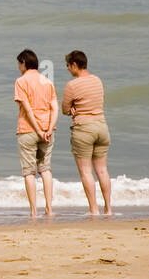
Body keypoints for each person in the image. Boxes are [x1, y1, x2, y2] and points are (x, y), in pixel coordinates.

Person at [62, 50, 112, 216]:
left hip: (83, 129)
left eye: (68, 66)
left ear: (75, 65)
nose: (68, 69)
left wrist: (74, 110)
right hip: (102, 127)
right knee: (102, 170)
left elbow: (65, 109)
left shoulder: (72, 85)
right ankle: (108, 208)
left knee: (86, 171)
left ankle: (94, 209)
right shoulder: (97, 80)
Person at [15, 48, 58, 218]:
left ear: (24, 63)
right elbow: (54, 107)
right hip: (48, 131)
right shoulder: (47, 81)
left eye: (19, 63)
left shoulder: (21, 81)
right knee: (45, 169)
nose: (18, 67)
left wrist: (38, 130)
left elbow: (27, 109)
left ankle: (33, 211)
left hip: (27, 130)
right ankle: (49, 208)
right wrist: (48, 128)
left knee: (28, 172)